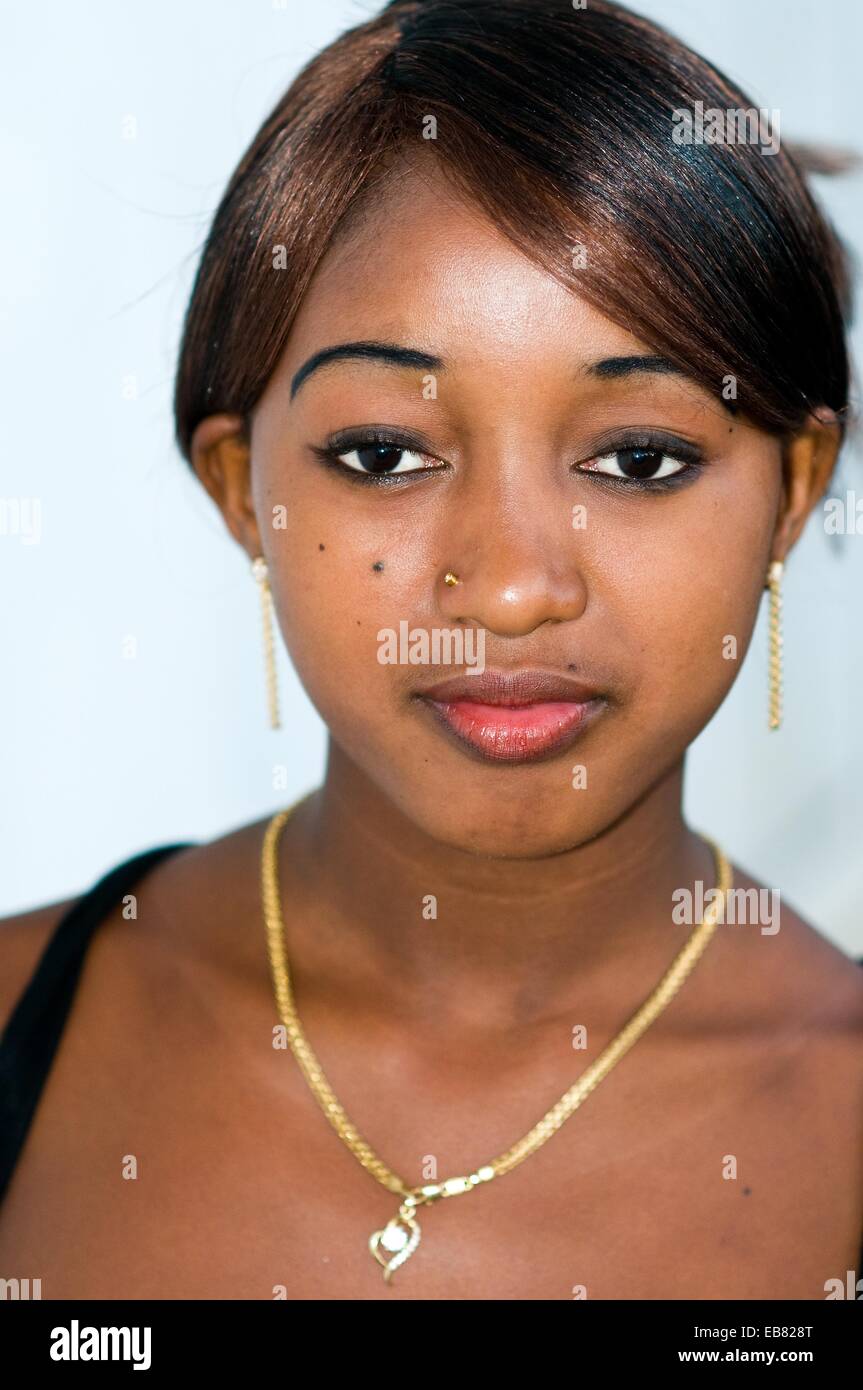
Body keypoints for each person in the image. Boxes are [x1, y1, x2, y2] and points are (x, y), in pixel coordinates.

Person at [1, 0, 861, 1300]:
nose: (514, 587)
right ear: (245, 492)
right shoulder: (26, 1016)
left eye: (639, 458)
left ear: (795, 493)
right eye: (384, 455)